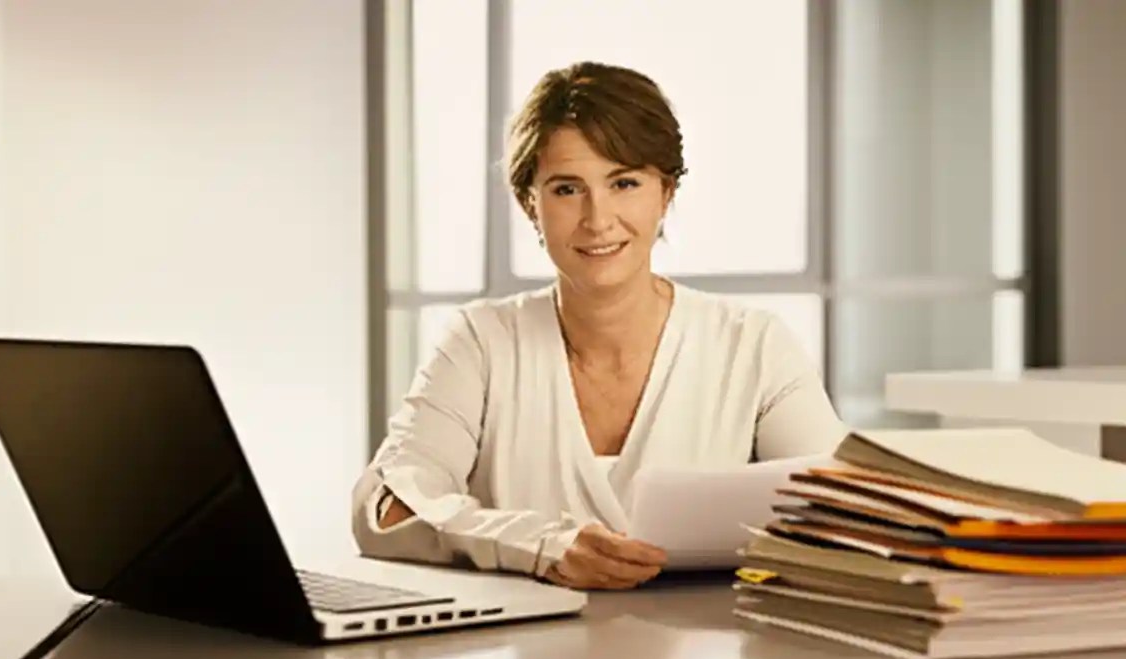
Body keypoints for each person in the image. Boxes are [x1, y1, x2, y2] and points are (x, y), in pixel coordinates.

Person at [352, 61, 847, 591]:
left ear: (666, 194)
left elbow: (847, 516)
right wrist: (538, 546)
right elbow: (384, 511)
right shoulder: (481, 342)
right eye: (567, 190)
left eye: (624, 182)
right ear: (529, 204)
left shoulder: (754, 346)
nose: (598, 219)